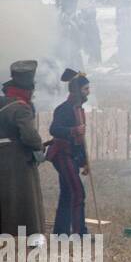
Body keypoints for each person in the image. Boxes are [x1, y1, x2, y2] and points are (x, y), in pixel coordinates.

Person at [0, 60, 47, 240]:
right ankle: (26, 236)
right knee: (24, 199)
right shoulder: (21, 107)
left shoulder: (4, 102)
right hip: (17, 159)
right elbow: (29, 136)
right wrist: (39, 146)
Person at [48, 68, 91, 235]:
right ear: (77, 90)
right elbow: (54, 129)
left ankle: (60, 232)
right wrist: (73, 130)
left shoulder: (79, 109)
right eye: (85, 89)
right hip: (61, 154)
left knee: (67, 193)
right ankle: (80, 233)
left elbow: (81, 141)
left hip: (71, 155)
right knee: (77, 192)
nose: (88, 91)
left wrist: (85, 160)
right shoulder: (64, 109)